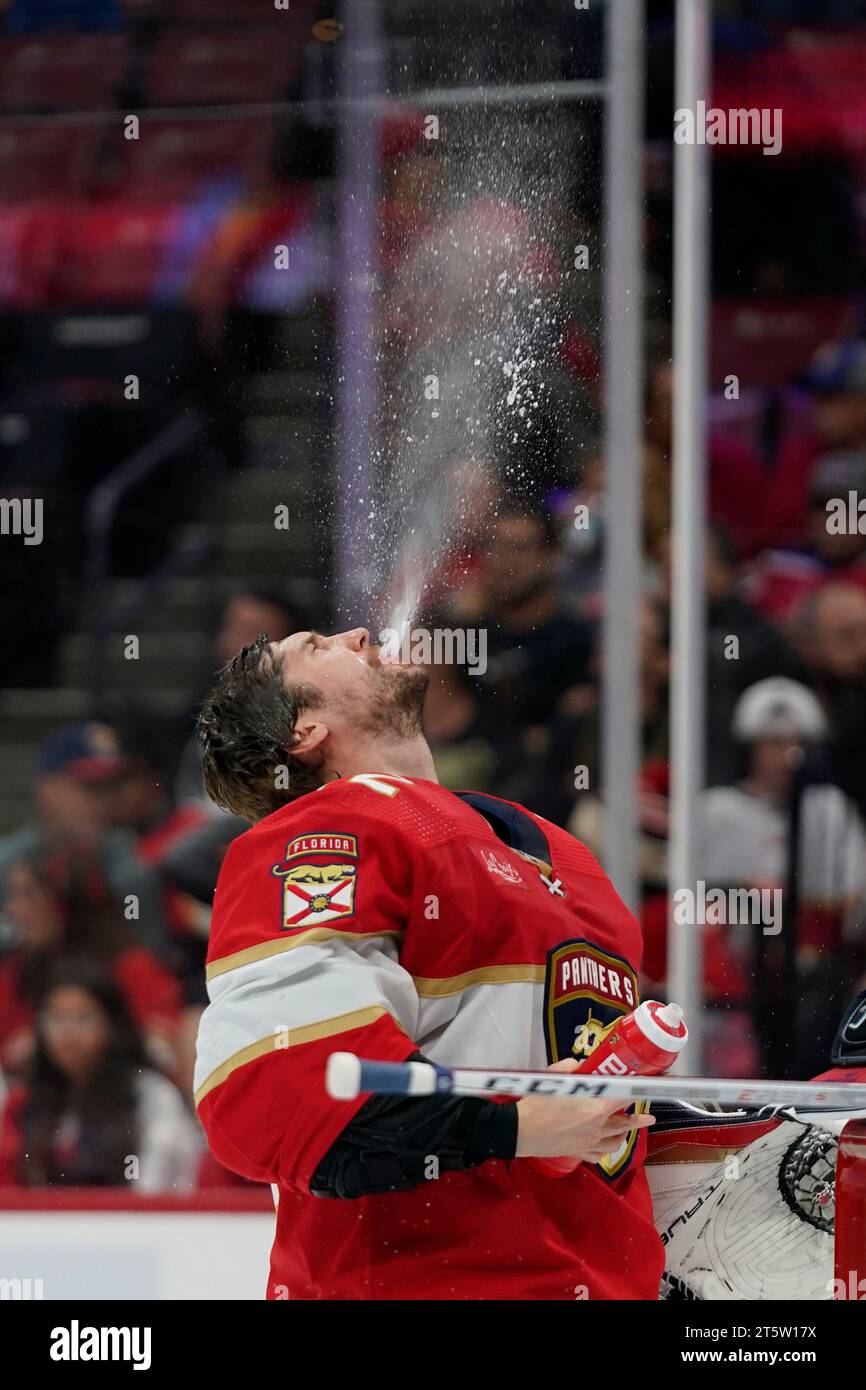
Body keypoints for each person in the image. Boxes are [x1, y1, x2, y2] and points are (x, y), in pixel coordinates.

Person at [193, 627, 662, 1301]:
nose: (359, 632)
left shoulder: (558, 853)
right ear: (304, 731)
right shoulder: (321, 835)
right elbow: (290, 1096)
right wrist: (517, 1126)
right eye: (318, 644)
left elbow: (598, 1128)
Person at [0, 962, 200, 1191]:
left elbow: (154, 1186)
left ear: (112, 1024)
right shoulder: (24, 1100)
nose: (68, 1032)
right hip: (42, 1223)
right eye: (56, 1018)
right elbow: (10, 1186)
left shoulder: (148, 1094)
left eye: (83, 1018)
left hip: (132, 1221)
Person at [0, 842, 181, 1078]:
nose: (14, 910)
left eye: (28, 894)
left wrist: (74, 1043)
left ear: (64, 901)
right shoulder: (19, 970)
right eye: (14, 894)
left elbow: (162, 1047)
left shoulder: (129, 965)